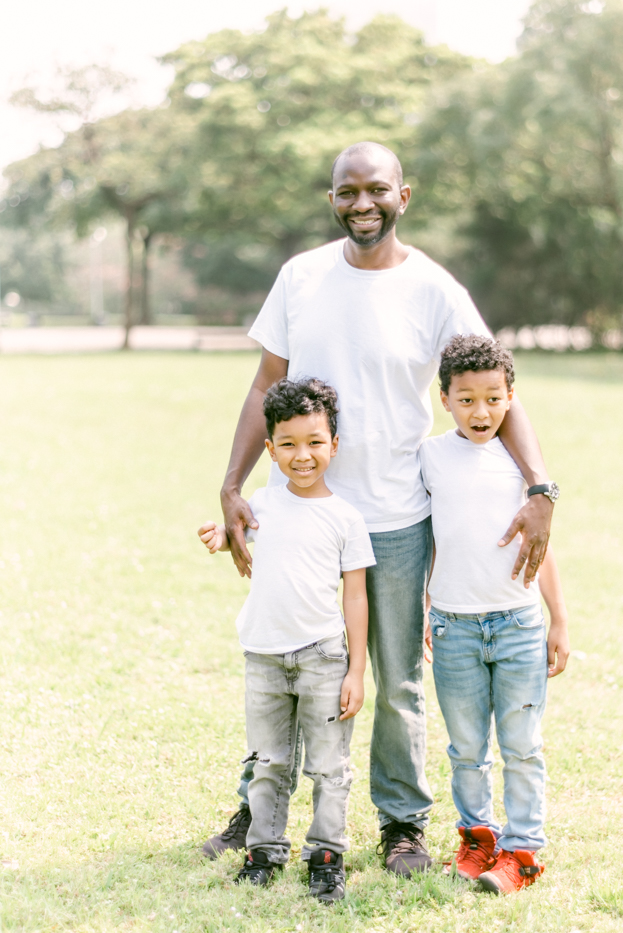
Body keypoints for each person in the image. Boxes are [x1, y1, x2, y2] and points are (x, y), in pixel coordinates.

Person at [203, 141, 558, 875]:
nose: (361, 204)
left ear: (404, 195)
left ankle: (401, 824)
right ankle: (256, 810)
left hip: (396, 517)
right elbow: (261, 387)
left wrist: (539, 486)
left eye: (375, 190)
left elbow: (499, 387)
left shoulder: (435, 289)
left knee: (395, 679)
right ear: (331, 199)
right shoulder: (300, 277)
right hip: (303, 508)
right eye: (346, 192)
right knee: (285, 660)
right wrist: (234, 483)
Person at [198, 378, 375, 903]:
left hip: (324, 658)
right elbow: (236, 539)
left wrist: (357, 670)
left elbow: (356, 598)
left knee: (329, 766)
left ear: (334, 446)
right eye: (290, 445)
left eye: (315, 442)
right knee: (268, 761)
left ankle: (326, 855)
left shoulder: (346, 518)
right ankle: (264, 851)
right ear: (270, 450)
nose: (304, 455)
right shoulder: (259, 504)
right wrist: (219, 534)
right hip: (265, 656)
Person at [421, 334, 569, 894]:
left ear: (512, 397)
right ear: (444, 399)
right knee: (465, 746)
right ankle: (477, 837)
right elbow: (428, 537)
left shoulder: (523, 466)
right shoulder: (430, 457)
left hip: (518, 625)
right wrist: (424, 601)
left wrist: (559, 619)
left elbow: (543, 546)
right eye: (466, 399)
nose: (480, 411)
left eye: (492, 398)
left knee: (521, 743)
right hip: (454, 627)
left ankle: (523, 849)